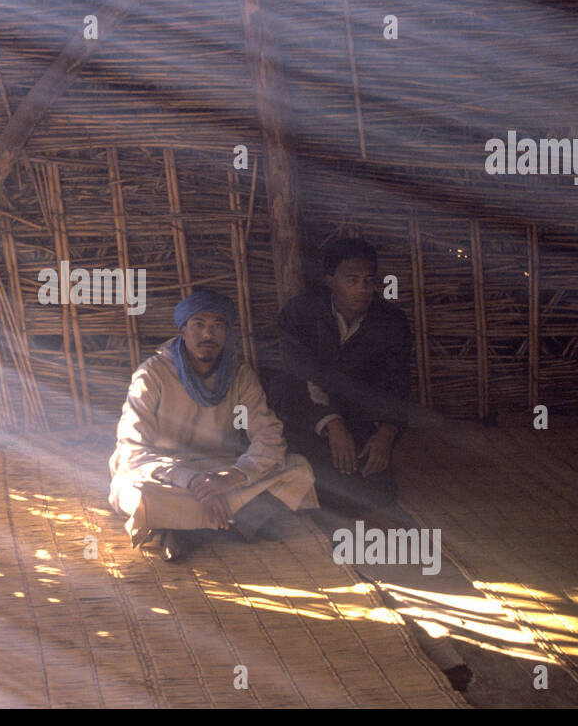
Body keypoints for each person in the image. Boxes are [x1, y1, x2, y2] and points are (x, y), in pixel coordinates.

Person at [109, 290, 318, 562]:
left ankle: (184, 528)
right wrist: (193, 481)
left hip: (222, 471)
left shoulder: (239, 375)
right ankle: (231, 523)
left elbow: (269, 439)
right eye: (199, 325)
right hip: (168, 476)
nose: (208, 334)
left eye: (218, 325)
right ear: (183, 330)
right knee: (136, 493)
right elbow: (133, 450)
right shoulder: (152, 374)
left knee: (298, 469)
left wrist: (234, 476)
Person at [273, 238, 414, 518]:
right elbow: (298, 375)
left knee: (379, 492)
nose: (363, 289)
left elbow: (397, 383)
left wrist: (386, 433)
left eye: (369, 280)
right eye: (352, 279)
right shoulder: (301, 313)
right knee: (326, 478)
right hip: (309, 414)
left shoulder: (390, 322)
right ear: (330, 280)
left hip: (359, 416)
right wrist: (332, 424)